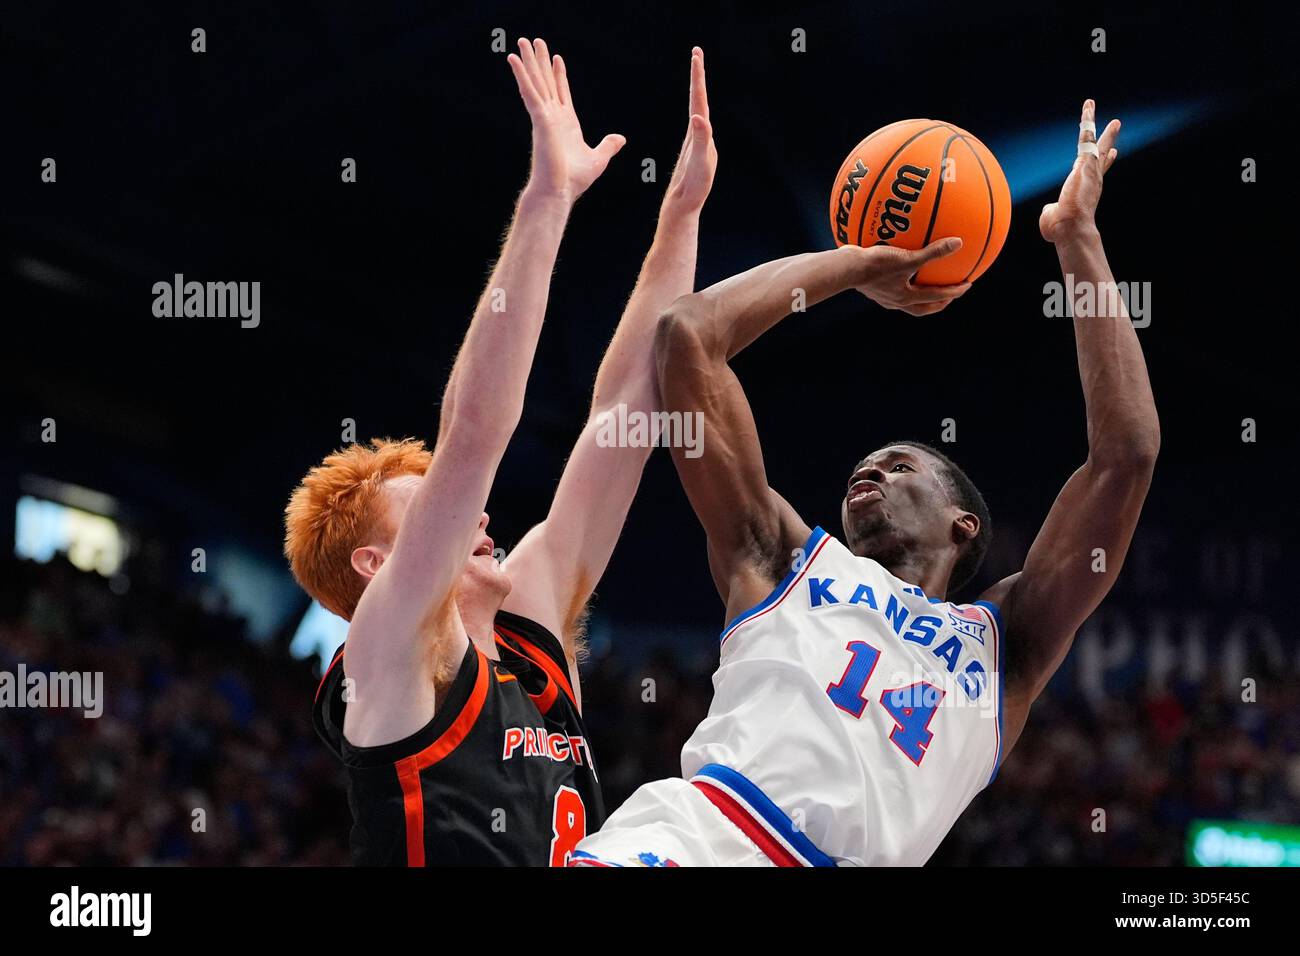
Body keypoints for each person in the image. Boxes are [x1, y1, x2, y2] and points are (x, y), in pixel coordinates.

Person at [572, 100, 1158, 867]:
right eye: (863, 466)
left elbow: (1127, 456)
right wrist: (853, 266)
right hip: (695, 842)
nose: (869, 471)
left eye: (900, 464)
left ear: (963, 523)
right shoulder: (783, 556)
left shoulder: (1004, 646)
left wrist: (1078, 239)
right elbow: (689, 336)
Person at [284, 40, 717, 865]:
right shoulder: (390, 656)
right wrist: (548, 197)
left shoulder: (531, 638)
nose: (477, 513)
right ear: (376, 565)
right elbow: (476, 435)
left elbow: (628, 413)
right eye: (432, 505)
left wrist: (682, 218)